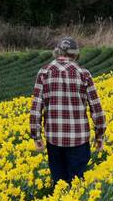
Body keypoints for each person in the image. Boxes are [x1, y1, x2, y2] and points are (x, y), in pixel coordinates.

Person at [29, 37, 106, 186]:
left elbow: (36, 107)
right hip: (79, 140)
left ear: (57, 52)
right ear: (75, 54)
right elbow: (96, 108)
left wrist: (36, 135)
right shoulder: (84, 74)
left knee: (60, 184)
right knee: (77, 185)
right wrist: (99, 135)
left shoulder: (44, 72)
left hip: (54, 139)